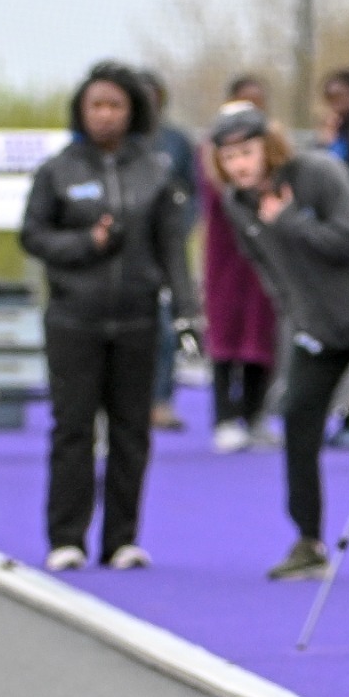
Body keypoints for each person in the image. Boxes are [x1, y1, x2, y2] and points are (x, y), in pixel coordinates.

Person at [207, 103, 349, 582]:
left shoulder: (319, 172)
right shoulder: (235, 202)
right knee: (298, 421)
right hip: (318, 327)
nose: (239, 165)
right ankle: (308, 543)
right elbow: (263, 264)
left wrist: (290, 221)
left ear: (268, 147)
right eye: (229, 157)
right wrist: (296, 312)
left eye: (247, 152)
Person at [20, 62, 199, 572]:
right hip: (73, 318)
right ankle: (67, 538)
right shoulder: (58, 170)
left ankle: (121, 539)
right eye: (95, 105)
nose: (104, 115)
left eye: (115, 105)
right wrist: (87, 243)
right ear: (81, 110)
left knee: (131, 432)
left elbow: (173, 249)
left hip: (137, 320)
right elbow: (34, 236)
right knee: (73, 429)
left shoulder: (156, 172)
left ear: (132, 112)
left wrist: (187, 312)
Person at [198, 76, 279, 453]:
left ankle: (255, 414)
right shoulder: (213, 153)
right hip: (225, 258)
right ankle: (224, 417)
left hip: (264, 258)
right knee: (225, 337)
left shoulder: (271, 151)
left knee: (261, 336)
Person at [139, 68, 198, 434]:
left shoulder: (176, 141)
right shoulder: (122, 142)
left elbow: (192, 192)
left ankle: (160, 401)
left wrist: (179, 229)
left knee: (165, 328)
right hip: (126, 253)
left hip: (165, 252)